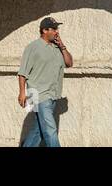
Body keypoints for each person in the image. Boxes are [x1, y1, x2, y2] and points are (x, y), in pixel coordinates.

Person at [18, 16, 72, 147]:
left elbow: (69, 63)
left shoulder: (56, 48)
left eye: (57, 28)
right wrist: (22, 93)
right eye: (54, 29)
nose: (57, 31)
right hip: (38, 95)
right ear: (44, 30)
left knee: (38, 131)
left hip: (53, 95)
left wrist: (62, 46)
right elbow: (22, 73)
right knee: (50, 130)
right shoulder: (33, 47)